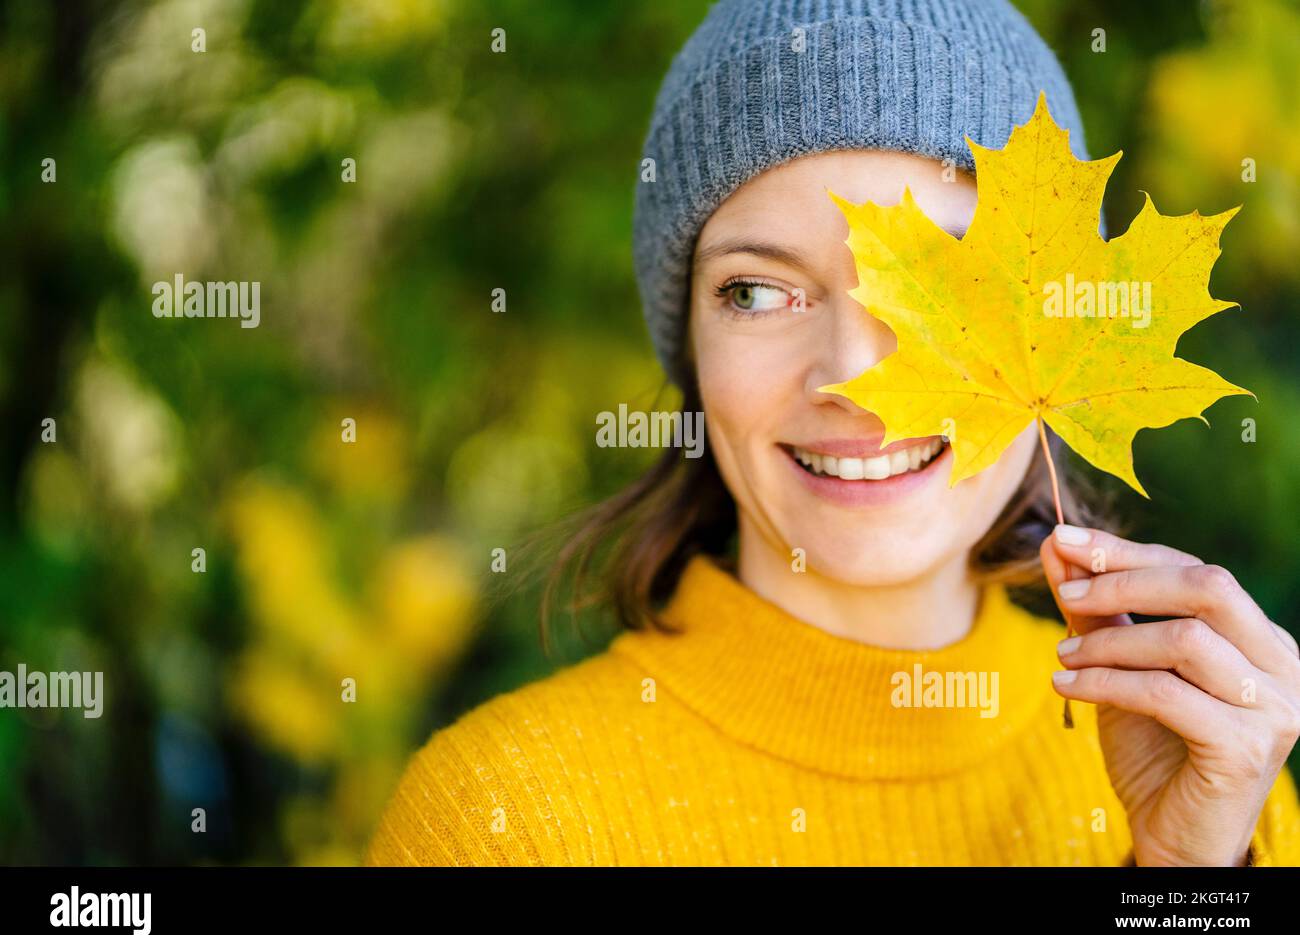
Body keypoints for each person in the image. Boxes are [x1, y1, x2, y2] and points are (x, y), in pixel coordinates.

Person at [365, 0, 1300, 866]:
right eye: (759, 292)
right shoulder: (499, 821)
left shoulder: (1218, 775)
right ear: (690, 344)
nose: (855, 381)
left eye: (947, 287)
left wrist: (1184, 884)